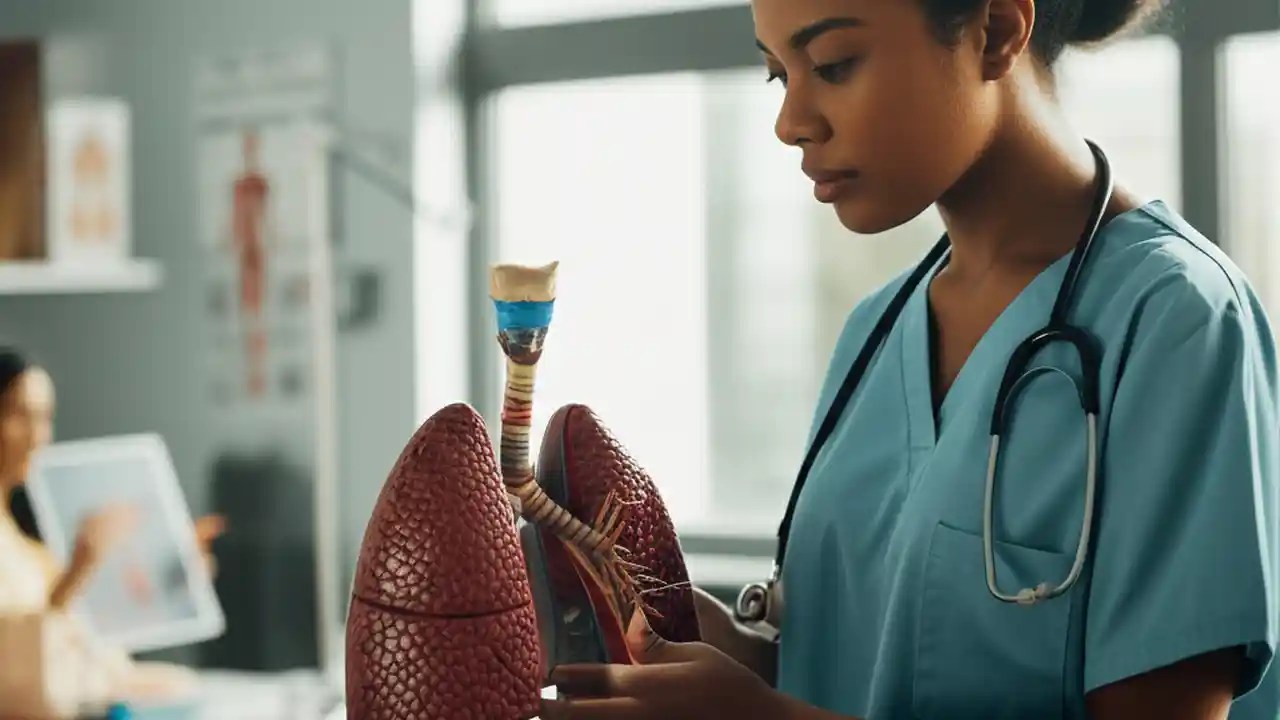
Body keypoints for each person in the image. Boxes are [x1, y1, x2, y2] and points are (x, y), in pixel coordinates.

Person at [540, 0, 1280, 718]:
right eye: (778, 75)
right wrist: (682, 632)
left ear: (995, 30)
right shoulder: (876, 330)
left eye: (833, 64)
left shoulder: (1177, 319)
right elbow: (846, 669)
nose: (791, 123)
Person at [0, 346, 223, 712]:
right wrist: (77, 573)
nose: (37, 435)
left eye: (45, 418)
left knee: (183, 689)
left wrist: (172, 579)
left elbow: (85, 638)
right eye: (20, 414)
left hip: (81, 689)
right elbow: (17, 670)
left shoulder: (27, 544)